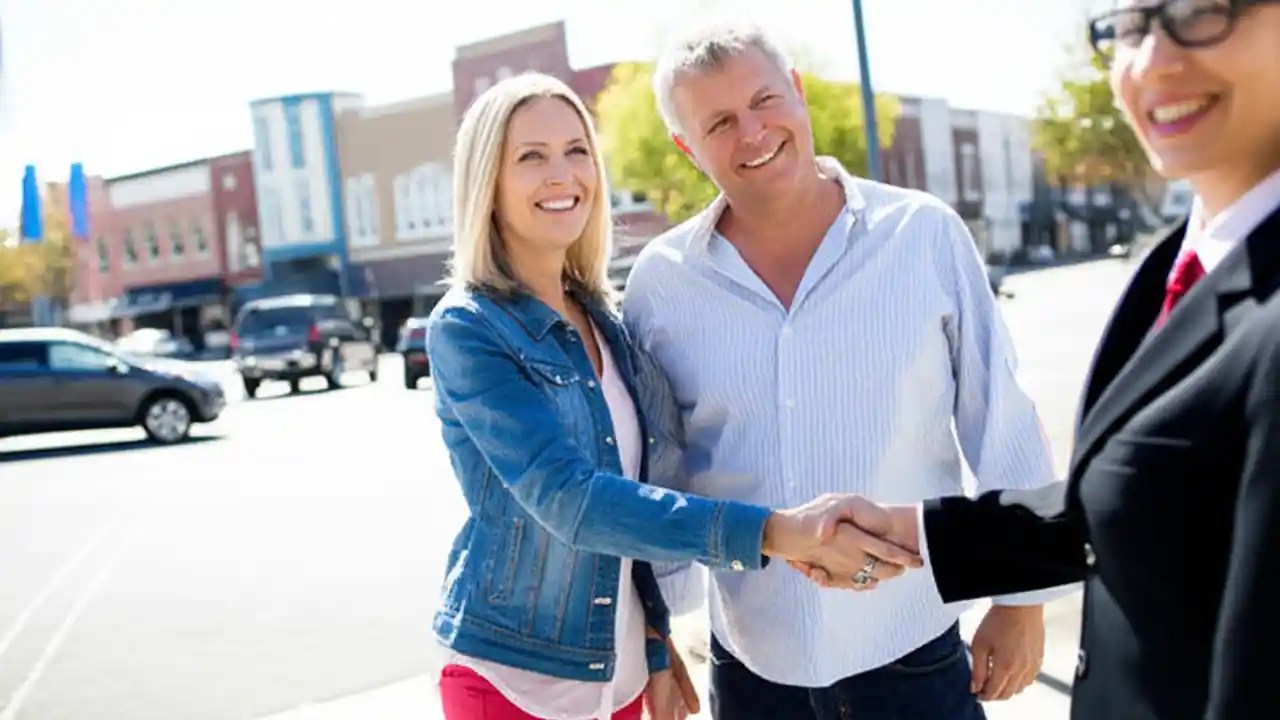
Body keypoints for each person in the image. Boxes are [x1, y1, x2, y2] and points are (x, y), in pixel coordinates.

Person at [805, 1, 1280, 718]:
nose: (1152, 61)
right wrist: (923, 532)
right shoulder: (1182, 258)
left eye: (1202, 11)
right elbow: (1159, 501)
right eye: (1131, 26)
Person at [424, 72, 921, 720]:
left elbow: (640, 491)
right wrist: (779, 533)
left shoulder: (604, 320)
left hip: (624, 677)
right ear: (487, 182)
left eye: (577, 151)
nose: (562, 174)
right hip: (515, 679)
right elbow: (574, 502)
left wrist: (654, 642)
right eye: (531, 157)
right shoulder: (468, 329)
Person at [622, 19, 1070, 720]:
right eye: (720, 122)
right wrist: (656, 631)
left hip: (912, 652)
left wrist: (1022, 600)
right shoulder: (661, 284)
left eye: (766, 101)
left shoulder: (922, 234)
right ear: (687, 147)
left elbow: (1000, 415)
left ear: (798, 93)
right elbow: (662, 468)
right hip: (751, 669)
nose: (753, 132)